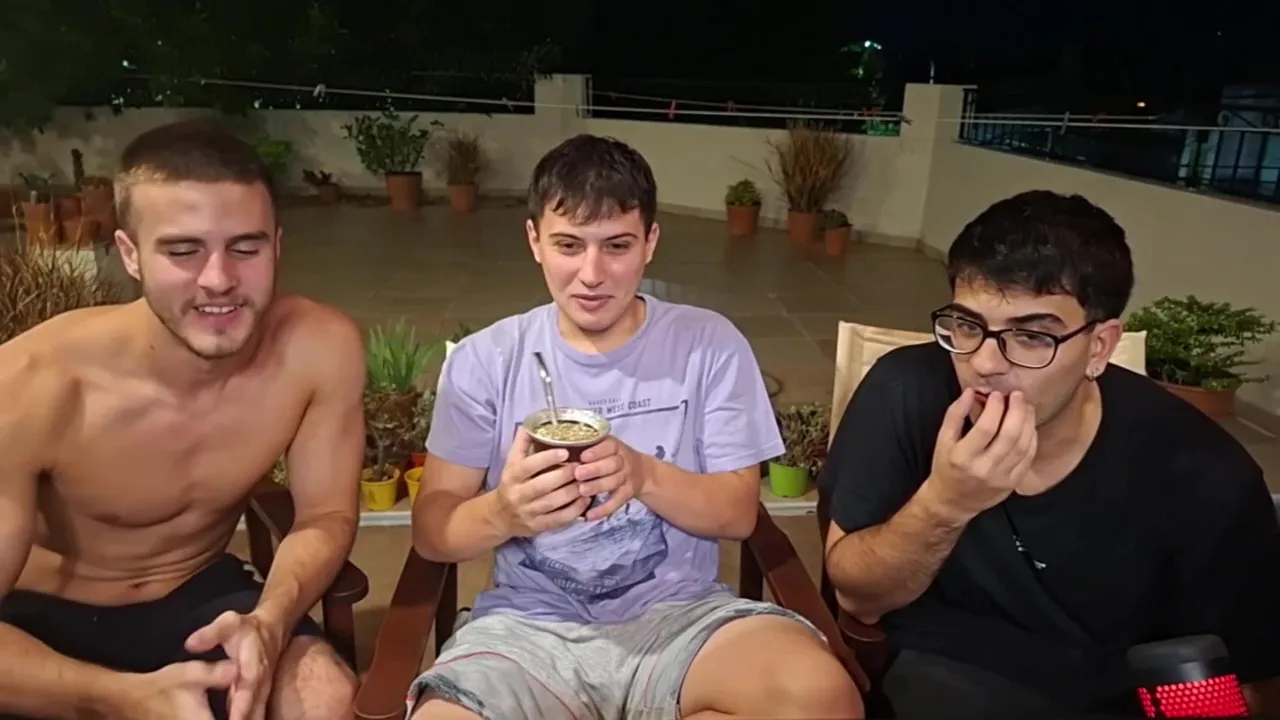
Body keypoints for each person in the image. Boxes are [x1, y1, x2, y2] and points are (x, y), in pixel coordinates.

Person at [407, 134, 863, 720]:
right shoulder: (486, 359)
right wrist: (503, 512)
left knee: (821, 699)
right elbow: (433, 529)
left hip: (683, 620)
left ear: (650, 242)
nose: (591, 275)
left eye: (617, 245)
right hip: (527, 629)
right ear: (534, 241)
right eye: (568, 245)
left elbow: (737, 513)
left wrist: (642, 474)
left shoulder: (708, 345)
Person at [821, 189, 1280, 718]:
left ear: (1100, 346)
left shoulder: (1205, 476)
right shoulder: (907, 390)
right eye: (968, 325)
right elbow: (857, 597)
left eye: (1032, 336)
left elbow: (1252, 682)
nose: (985, 363)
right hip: (939, 675)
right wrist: (946, 503)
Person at [0, 120, 364, 720]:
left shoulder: (318, 349)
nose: (218, 280)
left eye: (245, 248)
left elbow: (325, 515)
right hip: (38, 621)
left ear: (277, 245)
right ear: (130, 254)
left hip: (196, 596)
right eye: (182, 250)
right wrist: (123, 698)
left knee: (325, 697)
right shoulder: (31, 384)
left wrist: (270, 620)